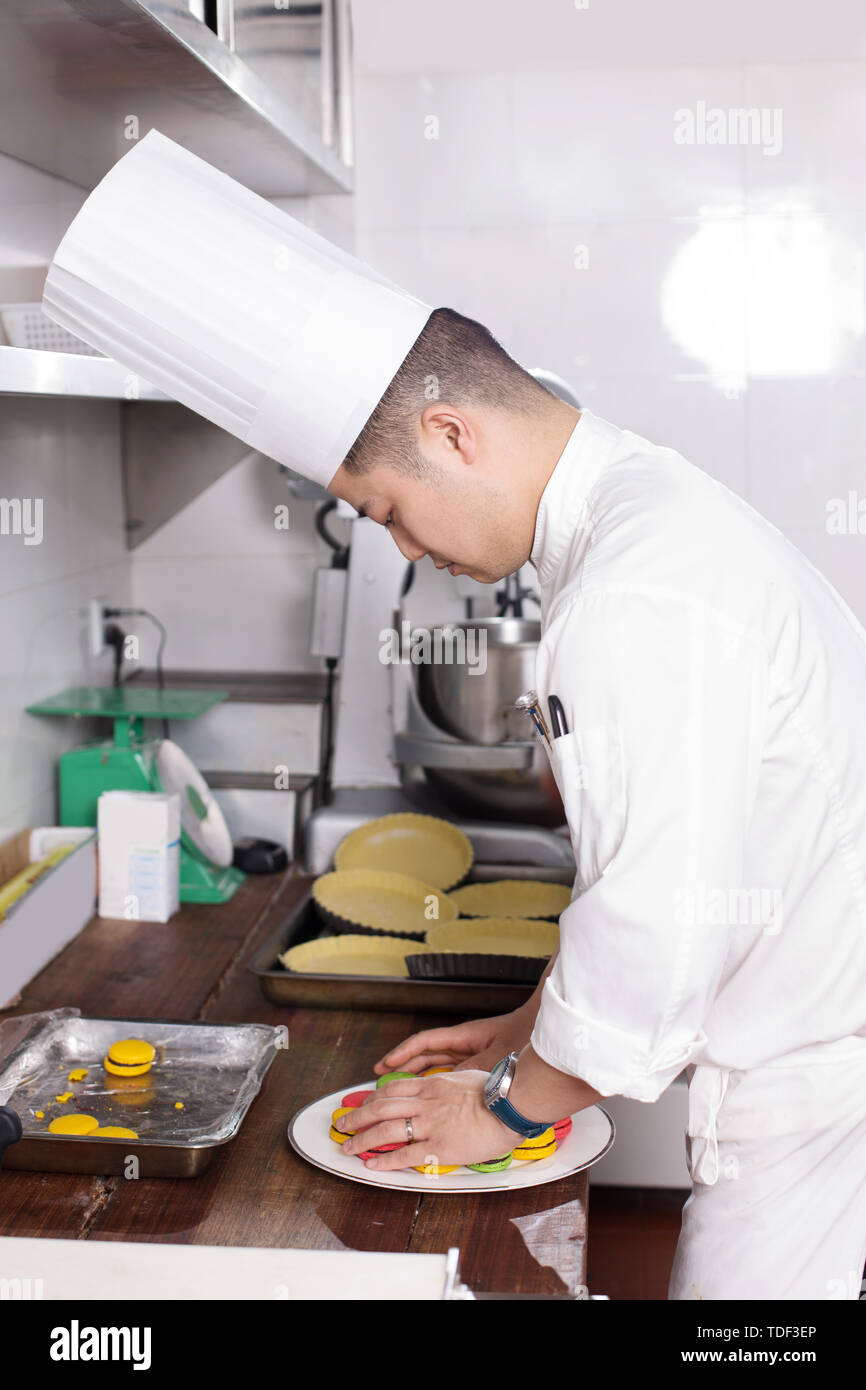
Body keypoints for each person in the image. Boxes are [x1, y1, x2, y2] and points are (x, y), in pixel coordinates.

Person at [329, 305, 866, 1301]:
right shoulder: (649, 511)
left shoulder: (630, 593)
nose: (402, 547)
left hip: (806, 1089)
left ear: (451, 434)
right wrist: (529, 1026)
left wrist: (503, 1109)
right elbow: (665, 856)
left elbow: (657, 919)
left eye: (388, 508)